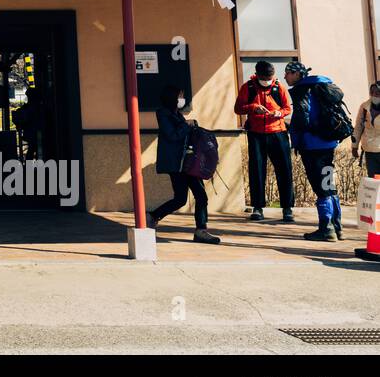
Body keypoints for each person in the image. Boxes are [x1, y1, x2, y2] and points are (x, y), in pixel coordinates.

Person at [147, 83, 220, 244]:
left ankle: (201, 230)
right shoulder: (163, 114)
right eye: (180, 96)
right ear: (172, 97)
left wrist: (188, 125)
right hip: (177, 163)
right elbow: (172, 135)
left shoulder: (177, 114)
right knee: (181, 199)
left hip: (188, 162)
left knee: (200, 196)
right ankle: (152, 216)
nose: (182, 99)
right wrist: (186, 125)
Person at [284, 60, 343, 242]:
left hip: (312, 145)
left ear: (297, 74)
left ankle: (326, 229)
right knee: (328, 183)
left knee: (320, 187)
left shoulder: (302, 90)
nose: (285, 76)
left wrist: (292, 129)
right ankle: (337, 228)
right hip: (328, 143)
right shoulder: (321, 86)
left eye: (288, 72)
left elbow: (303, 117)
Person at [233, 60, 295, 223]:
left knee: (284, 170)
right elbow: (238, 108)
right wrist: (253, 107)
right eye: (265, 78)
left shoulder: (279, 87)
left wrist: (279, 113)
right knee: (257, 171)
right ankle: (258, 208)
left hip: (278, 133)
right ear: (257, 74)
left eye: (270, 77)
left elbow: (288, 108)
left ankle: (287, 209)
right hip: (256, 133)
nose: (268, 80)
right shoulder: (248, 87)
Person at [353, 81, 380, 179]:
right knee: (374, 181)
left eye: (377, 93)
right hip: (370, 151)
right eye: (372, 92)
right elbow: (358, 127)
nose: (374, 95)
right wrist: (354, 145)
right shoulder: (364, 107)